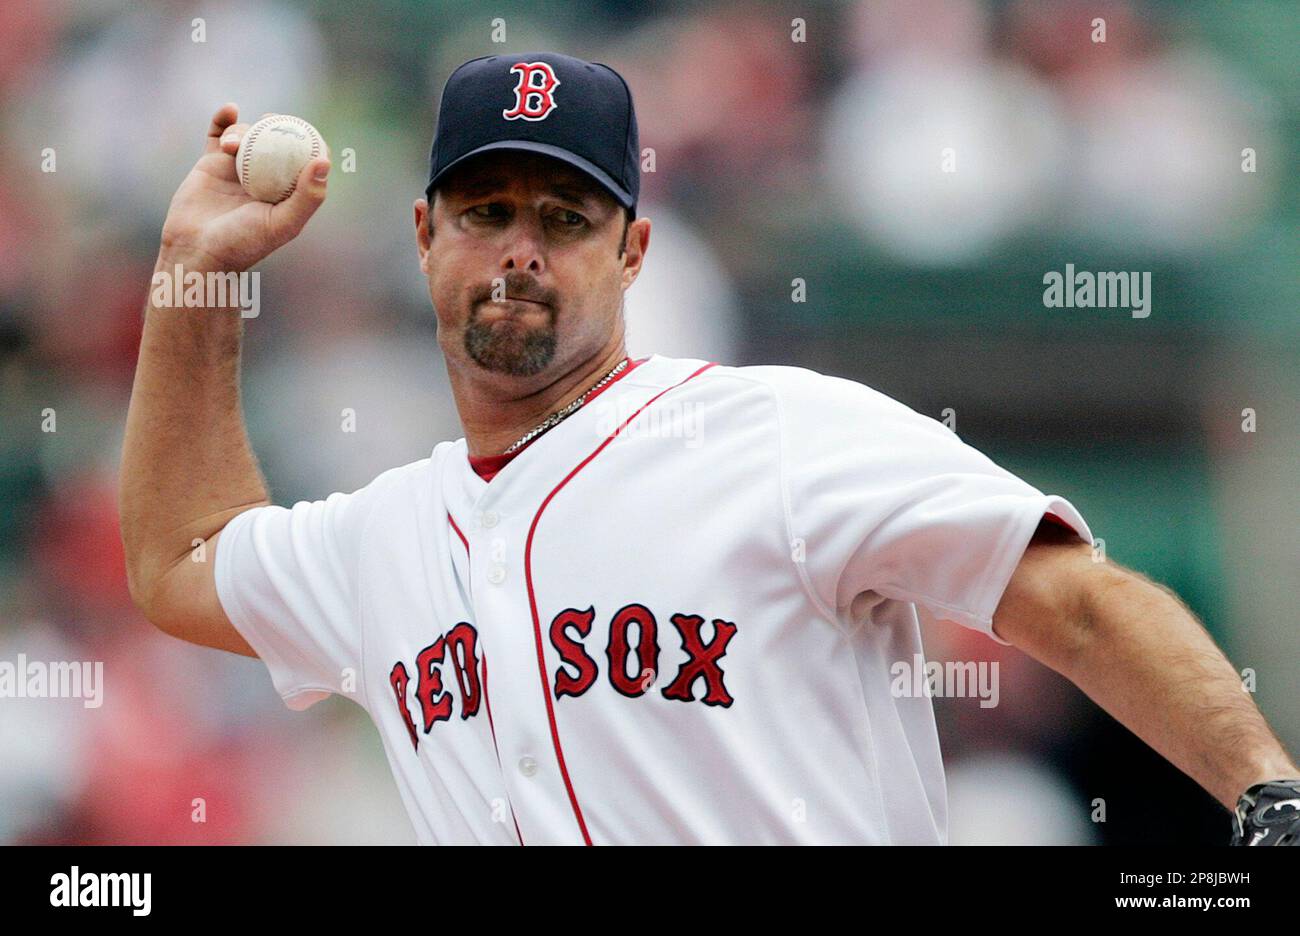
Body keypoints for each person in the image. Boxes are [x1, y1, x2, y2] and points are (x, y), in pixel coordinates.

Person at [119, 51, 1299, 845]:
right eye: (487, 212)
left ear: (632, 254)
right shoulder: (375, 539)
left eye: (565, 218)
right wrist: (196, 278)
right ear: (426, 236)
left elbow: (1072, 604)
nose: (520, 249)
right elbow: (180, 558)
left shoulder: (780, 434)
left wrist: (1270, 795)